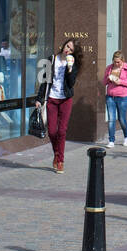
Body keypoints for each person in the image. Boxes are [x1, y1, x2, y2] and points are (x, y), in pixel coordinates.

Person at [36, 39, 79, 174]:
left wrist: (70, 69)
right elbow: (44, 80)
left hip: (66, 99)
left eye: (71, 49)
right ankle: (56, 153)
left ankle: (60, 160)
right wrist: (39, 98)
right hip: (52, 99)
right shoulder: (52, 59)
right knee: (52, 131)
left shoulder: (72, 62)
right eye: (67, 46)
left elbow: (71, 83)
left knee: (62, 131)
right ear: (63, 45)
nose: (68, 50)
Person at [102, 50, 127, 149]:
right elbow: (104, 82)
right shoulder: (109, 68)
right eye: (114, 61)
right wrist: (109, 78)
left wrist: (120, 81)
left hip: (122, 96)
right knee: (111, 119)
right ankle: (111, 140)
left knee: (121, 119)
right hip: (110, 97)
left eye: (118, 62)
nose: (116, 63)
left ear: (122, 61)